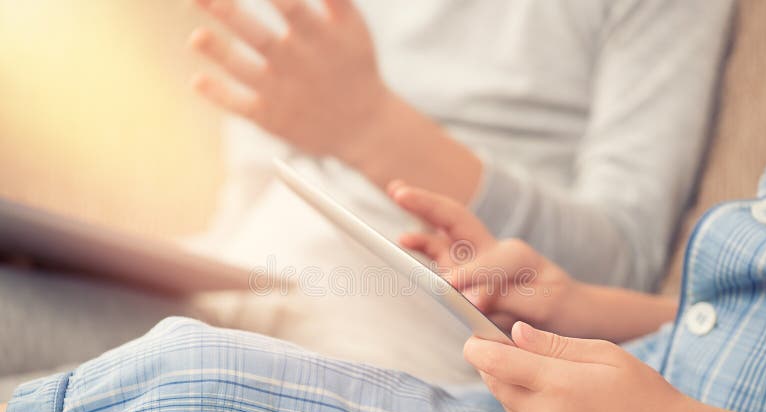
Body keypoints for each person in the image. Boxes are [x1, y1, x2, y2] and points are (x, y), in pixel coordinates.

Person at [2, 36, 766, 412]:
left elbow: (623, 242)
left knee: (180, 401)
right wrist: (588, 310)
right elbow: (757, 297)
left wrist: (371, 131)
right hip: (252, 267)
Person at [183, 0, 735, 382]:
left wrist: (373, 129)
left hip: (421, 320)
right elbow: (252, 192)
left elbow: (616, 270)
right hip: (247, 275)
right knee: (104, 308)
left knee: (170, 395)